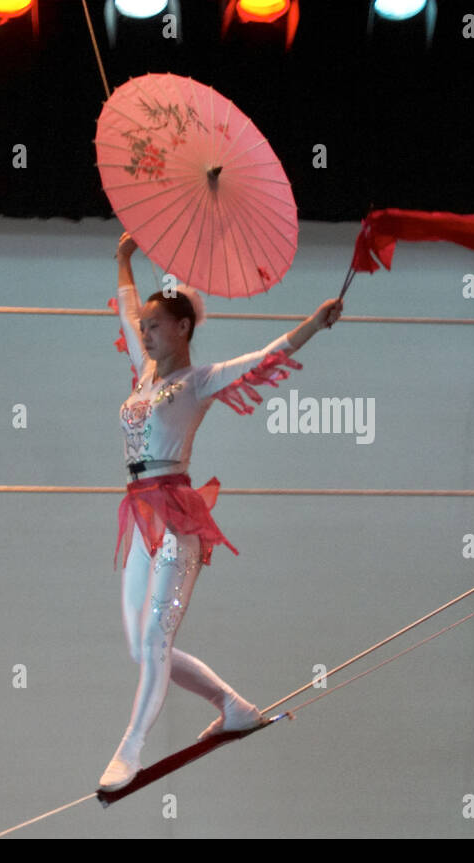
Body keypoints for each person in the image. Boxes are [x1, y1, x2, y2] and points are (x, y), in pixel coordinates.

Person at [101, 231, 343, 790]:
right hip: (140, 517)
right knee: (142, 646)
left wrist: (314, 323)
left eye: (155, 326)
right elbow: (126, 311)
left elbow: (267, 358)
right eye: (144, 329)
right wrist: (122, 259)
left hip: (176, 520)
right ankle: (233, 707)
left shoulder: (200, 380)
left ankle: (129, 750)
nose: (145, 332)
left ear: (183, 328)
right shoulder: (145, 373)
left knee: (157, 642)